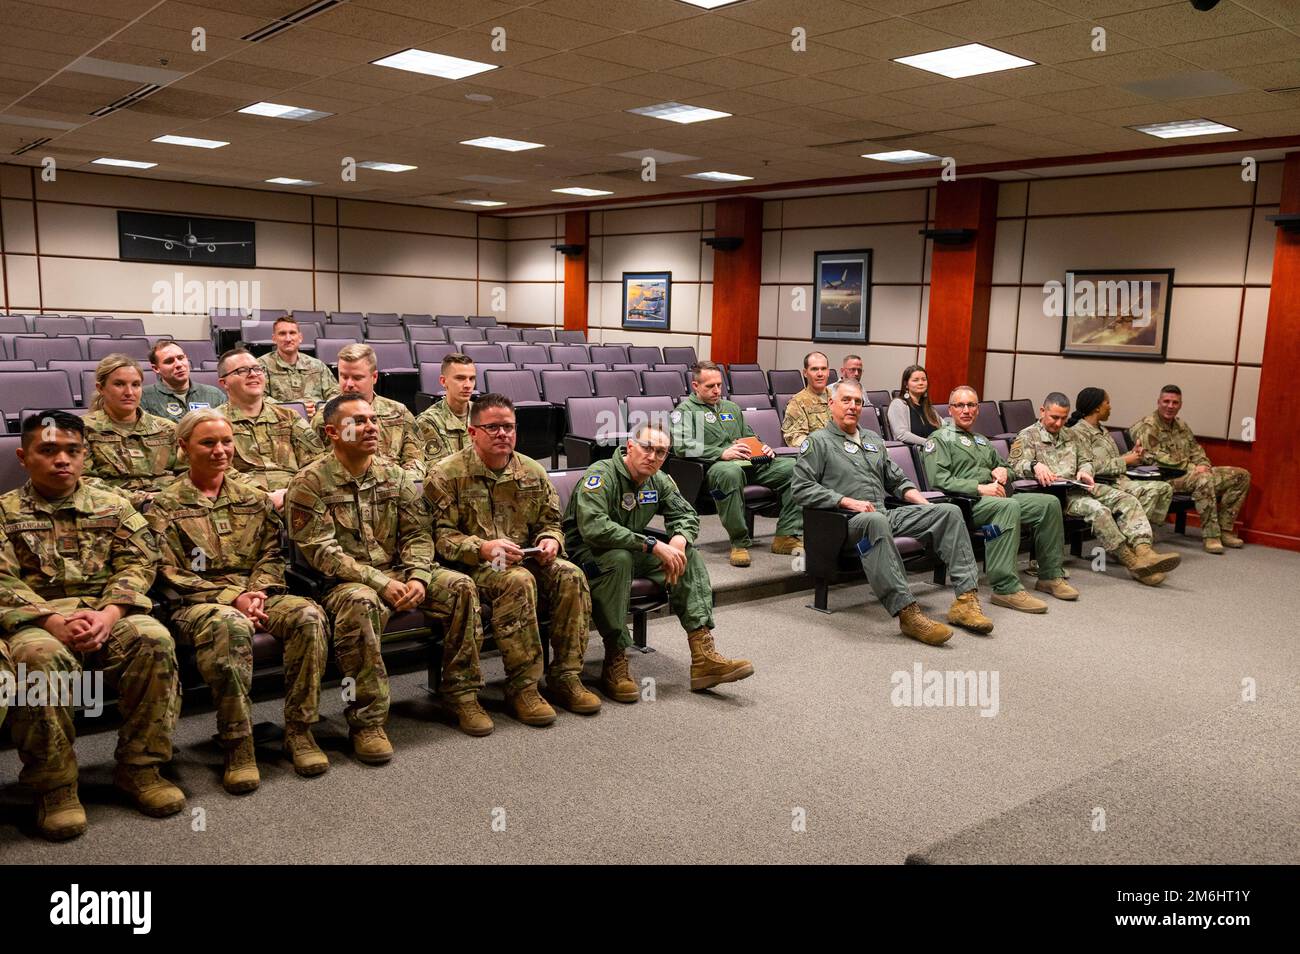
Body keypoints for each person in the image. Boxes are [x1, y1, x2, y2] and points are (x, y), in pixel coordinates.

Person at [0, 411, 185, 840]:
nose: (62, 459)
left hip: (106, 611)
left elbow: (139, 563)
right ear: (23, 457)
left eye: (72, 450)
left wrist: (109, 614)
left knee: (154, 640)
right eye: (48, 450)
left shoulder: (113, 506)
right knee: (39, 658)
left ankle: (140, 768)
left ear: (85, 455)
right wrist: (52, 620)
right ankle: (55, 787)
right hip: (35, 618)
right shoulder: (5, 513)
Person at [287, 395, 491, 752]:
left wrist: (418, 576)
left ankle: (462, 693)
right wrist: (380, 582)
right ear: (332, 432)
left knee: (460, 586)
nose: (371, 428)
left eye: (373, 420)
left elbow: (417, 534)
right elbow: (321, 552)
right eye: (359, 422)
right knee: (361, 603)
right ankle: (367, 721)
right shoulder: (310, 482)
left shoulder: (394, 475)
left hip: (400, 572)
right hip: (344, 583)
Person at [147, 409, 331, 792]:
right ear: (184, 447)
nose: (220, 450)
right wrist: (234, 598)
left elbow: (272, 554)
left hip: (258, 594)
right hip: (197, 604)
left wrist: (257, 594)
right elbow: (167, 572)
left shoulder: (253, 498)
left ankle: (299, 730)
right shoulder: (166, 505)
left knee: (309, 615)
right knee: (229, 626)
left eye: (226, 441)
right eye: (208, 443)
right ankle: (238, 743)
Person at [426, 393, 597, 722]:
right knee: (517, 580)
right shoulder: (447, 474)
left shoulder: (532, 471)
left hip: (524, 557)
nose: (503, 433)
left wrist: (550, 540)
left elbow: (550, 521)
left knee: (571, 575)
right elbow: (439, 538)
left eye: (509, 427)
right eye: (492, 427)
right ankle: (523, 687)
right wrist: (481, 548)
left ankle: (565, 677)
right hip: (472, 565)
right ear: (472, 432)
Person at [564, 422, 753, 700]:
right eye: (647, 448)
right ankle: (615, 657)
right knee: (619, 558)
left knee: (687, 555)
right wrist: (652, 544)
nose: (653, 456)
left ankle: (703, 656)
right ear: (630, 447)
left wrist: (679, 539)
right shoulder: (602, 475)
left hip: (630, 548)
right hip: (585, 554)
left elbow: (685, 514)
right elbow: (594, 528)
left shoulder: (658, 479)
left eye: (661, 452)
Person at [793, 380, 992, 645]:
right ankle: (908, 613)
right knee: (874, 520)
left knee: (949, 511)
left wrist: (926, 506)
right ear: (831, 404)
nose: (853, 406)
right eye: (846, 400)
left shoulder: (873, 439)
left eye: (858, 401)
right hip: (844, 523)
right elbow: (801, 488)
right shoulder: (818, 442)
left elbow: (897, 481)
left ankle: (966, 601)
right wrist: (846, 501)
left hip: (882, 514)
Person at [922, 386, 1078, 613]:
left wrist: (1004, 472)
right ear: (950, 409)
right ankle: (1005, 588)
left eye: (971, 405)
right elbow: (938, 479)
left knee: (1048, 504)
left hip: (997, 500)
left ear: (977, 409)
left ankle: (1050, 575)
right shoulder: (939, 439)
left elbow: (1009, 468)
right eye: (960, 405)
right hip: (965, 504)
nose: (966, 410)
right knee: (1008, 506)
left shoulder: (981, 440)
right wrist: (979, 488)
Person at [1008, 393, 1181, 586]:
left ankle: (1144, 551)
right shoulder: (1028, 435)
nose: (1058, 423)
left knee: (1126, 499)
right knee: (1098, 510)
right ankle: (1132, 562)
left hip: (1079, 485)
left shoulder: (1070, 434)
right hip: (1054, 495)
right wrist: (1034, 466)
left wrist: (1085, 471)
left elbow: (1087, 460)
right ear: (1042, 411)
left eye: (1063, 418)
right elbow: (1014, 466)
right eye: (1054, 417)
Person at [669, 360, 803, 567]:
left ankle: (786, 536)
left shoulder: (731, 408)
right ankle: (739, 542)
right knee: (730, 473)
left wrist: (762, 448)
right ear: (695, 386)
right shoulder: (684, 411)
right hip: (713, 468)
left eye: (719, 385)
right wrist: (721, 452)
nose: (716, 390)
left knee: (794, 468)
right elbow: (682, 446)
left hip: (748, 463)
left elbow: (748, 436)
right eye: (710, 386)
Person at [1131, 385, 1251, 554]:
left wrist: (1204, 465)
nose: (1170, 406)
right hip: (1165, 479)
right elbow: (1156, 458)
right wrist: (1194, 468)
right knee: (1203, 479)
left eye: (1175, 402)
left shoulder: (1181, 425)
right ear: (1158, 402)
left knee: (1241, 476)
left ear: (1180, 405)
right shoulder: (1148, 426)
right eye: (1166, 401)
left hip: (1191, 474)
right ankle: (1211, 536)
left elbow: (1196, 450)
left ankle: (1225, 529)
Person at [217, 347, 323, 507]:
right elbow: (218, 470)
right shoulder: (215, 422)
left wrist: (292, 492)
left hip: (296, 498)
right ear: (224, 382)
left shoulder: (289, 417)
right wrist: (263, 496)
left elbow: (316, 460)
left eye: (257, 369)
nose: (253, 374)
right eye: (242, 371)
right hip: (243, 502)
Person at [82, 353, 182, 507]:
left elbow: (190, 472)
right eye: (119, 384)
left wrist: (169, 496)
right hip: (113, 508)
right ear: (101, 388)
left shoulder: (168, 429)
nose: (129, 392)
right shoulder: (83, 429)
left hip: (170, 506)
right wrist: (140, 498)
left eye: (135, 385)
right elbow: (82, 480)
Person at [310, 343, 423, 478]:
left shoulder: (399, 412)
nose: (349, 384)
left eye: (357, 378)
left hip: (394, 484)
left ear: (374, 377)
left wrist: (400, 483)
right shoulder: (325, 417)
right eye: (344, 376)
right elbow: (314, 462)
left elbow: (415, 459)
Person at [1068, 387, 1173, 529]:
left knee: (1164, 488)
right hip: (1101, 484)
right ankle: (1135, 532)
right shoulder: (1078, 432)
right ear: (1097, 407)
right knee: (1152, 490)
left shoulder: (1102, 429)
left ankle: (1140, 532)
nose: (1110, 407)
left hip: (1118, 480)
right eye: (1107, 403)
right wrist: (1126, 461)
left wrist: (1132, 454)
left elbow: (1112, 459)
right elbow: (1089, 466)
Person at [257, 316, 339, 417]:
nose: (288, 339)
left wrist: (321, 410)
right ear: (274, 338)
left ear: (300, 337)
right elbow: (258, 398)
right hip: (282, 419)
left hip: (316, 418)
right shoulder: (261, 365)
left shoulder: (317, 365)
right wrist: (294, 409)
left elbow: (335, 393)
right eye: (282, 333)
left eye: (292, 333)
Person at [413, 353, 475, 471]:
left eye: (471, 379)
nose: (468, 385)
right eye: (460, 378)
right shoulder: (428, 422)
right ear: (443, 381)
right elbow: (440, 471)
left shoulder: (484, 415)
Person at [141, 339, 226, 422]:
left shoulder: (214, 395)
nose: (179, 364)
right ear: (156, 368)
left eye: (181, 358)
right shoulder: (144, 398)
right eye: (169, 361)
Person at [781, 350, 831, 447]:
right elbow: (795, 437)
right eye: (814, 369)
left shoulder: (838, 398)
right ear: (805, 373)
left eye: (823, 369)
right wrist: (823, 445)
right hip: (817, 452)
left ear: (828, 372)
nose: (820, 374)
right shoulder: (797, 403)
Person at [887, 364, 943, 447]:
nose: (921, 383)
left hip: (935, 449)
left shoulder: (927, 406)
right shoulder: (898, 404)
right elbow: (901, 434)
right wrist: (929, 442)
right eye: (915, 380)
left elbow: (944, 427)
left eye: (924, 379)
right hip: (914, 451)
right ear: (906, 384)